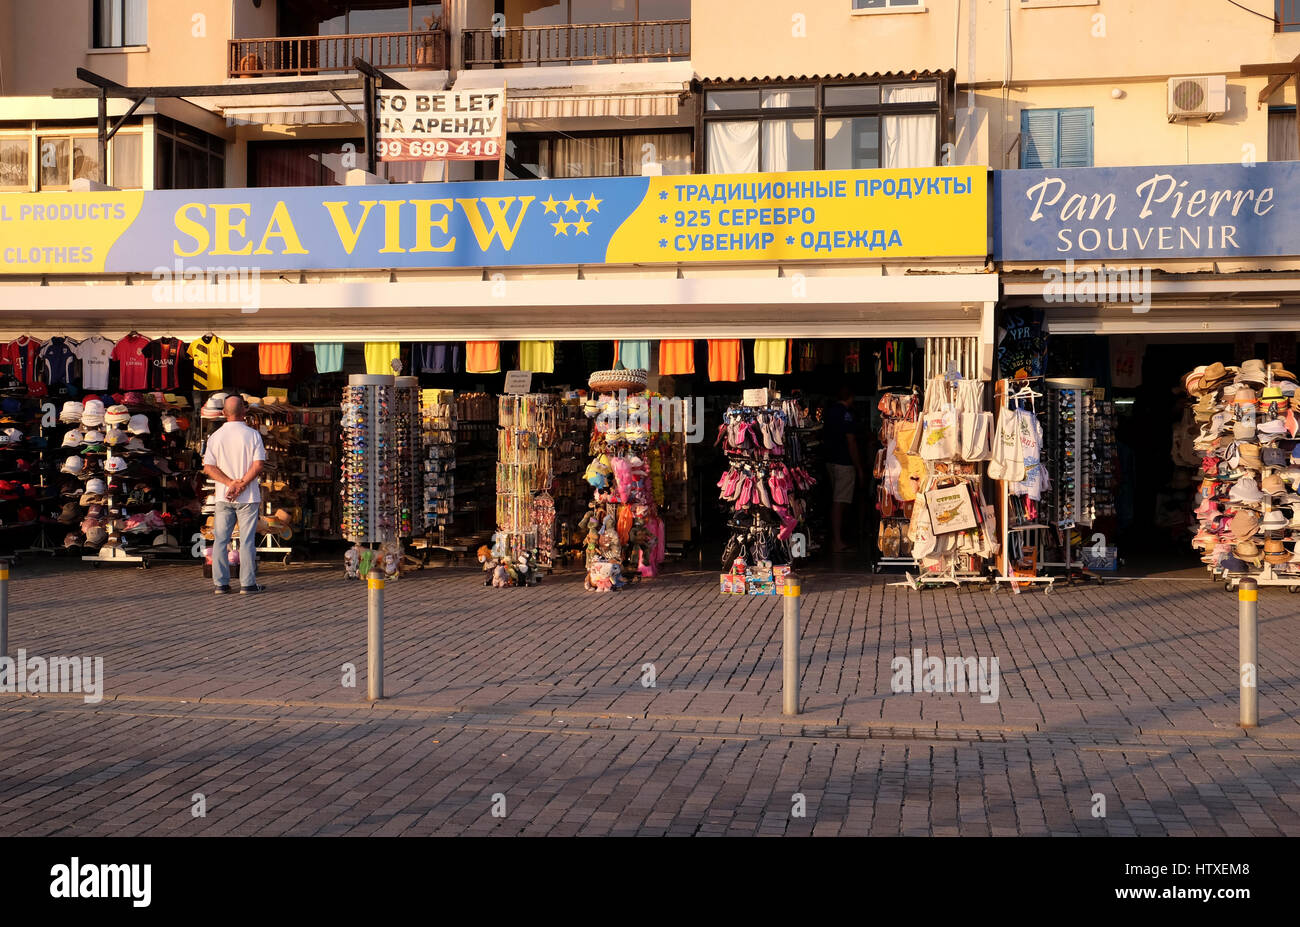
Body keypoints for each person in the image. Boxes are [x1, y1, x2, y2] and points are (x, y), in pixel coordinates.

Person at [202, 395, 267, 594]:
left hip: (224, 495)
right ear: (244, 411)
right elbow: (258, 465)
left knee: (221, 540)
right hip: (248, 497)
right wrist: (242, 484)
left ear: (223, 413)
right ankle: (247, 584)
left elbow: (208, 468)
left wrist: (230, 483)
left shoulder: (215, 436)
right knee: (246, 541)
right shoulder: (253, 435)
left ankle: (220, 584)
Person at [824, 385, 865, 553]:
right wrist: (859, 467)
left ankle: (837, 538)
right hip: (844, 463)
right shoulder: (846, 414)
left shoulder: (830, 411)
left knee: (837, 500)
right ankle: (838, 541)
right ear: (851, 397)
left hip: (831, 461)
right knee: (840, 502)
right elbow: (851, 442)